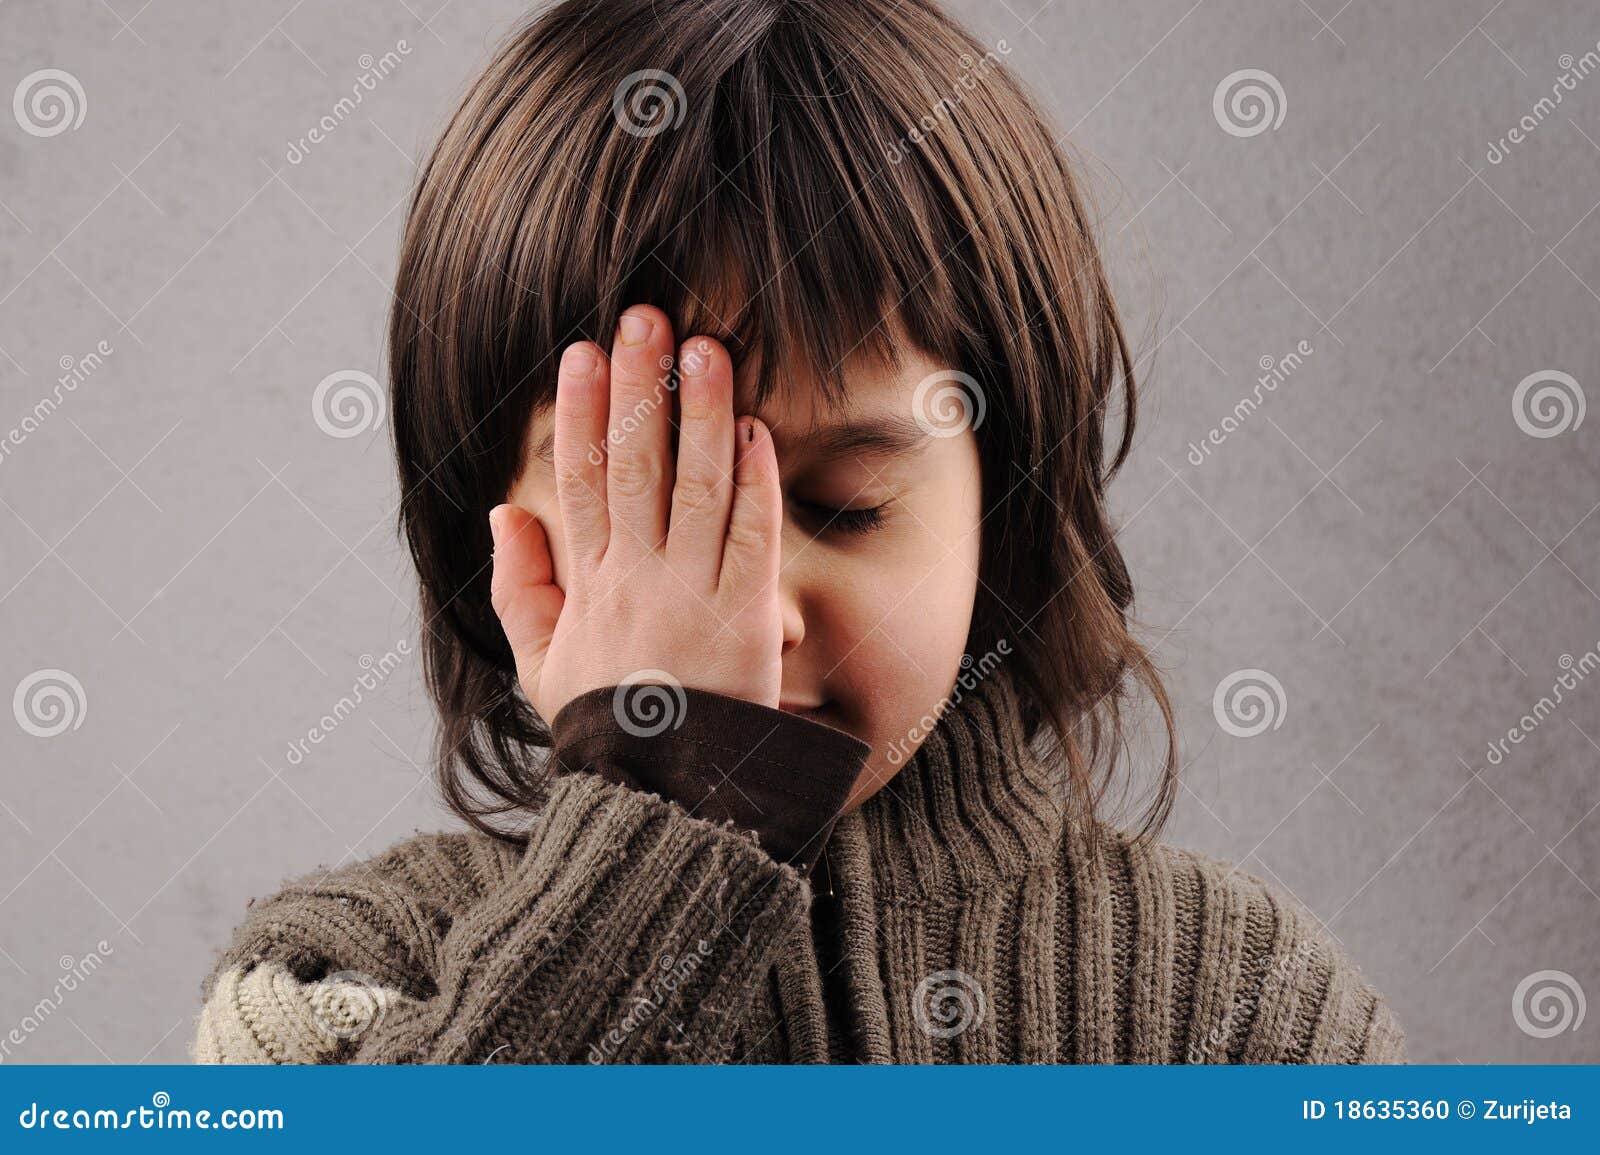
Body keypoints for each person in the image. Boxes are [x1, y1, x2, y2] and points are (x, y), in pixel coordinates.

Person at [192, 0, 1405, 1064]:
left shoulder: (1245, 1013)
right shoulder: (341, 978)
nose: (747, 610)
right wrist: (660, 806)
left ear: (1009, 503)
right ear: (486, 536)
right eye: (653, 505)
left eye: (843, 506)